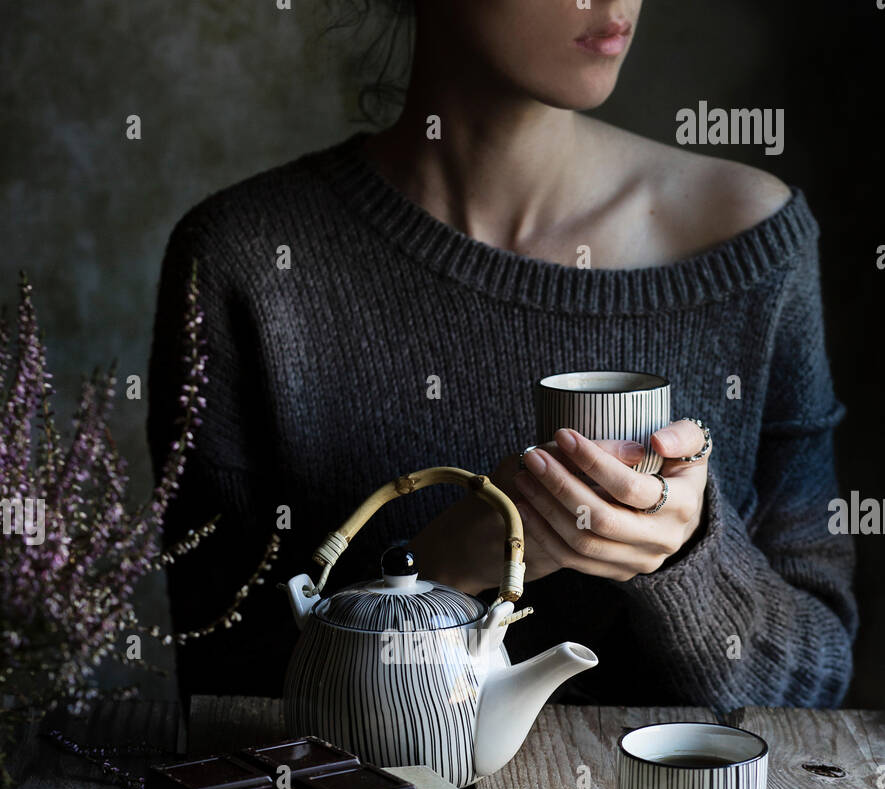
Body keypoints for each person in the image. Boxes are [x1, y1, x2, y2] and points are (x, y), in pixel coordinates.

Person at [147, 0, 856, 708]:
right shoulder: (251, 263)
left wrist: (686, 556)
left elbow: (816, 682)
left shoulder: (749, 244)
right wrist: (442, 570)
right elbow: (225, 688)